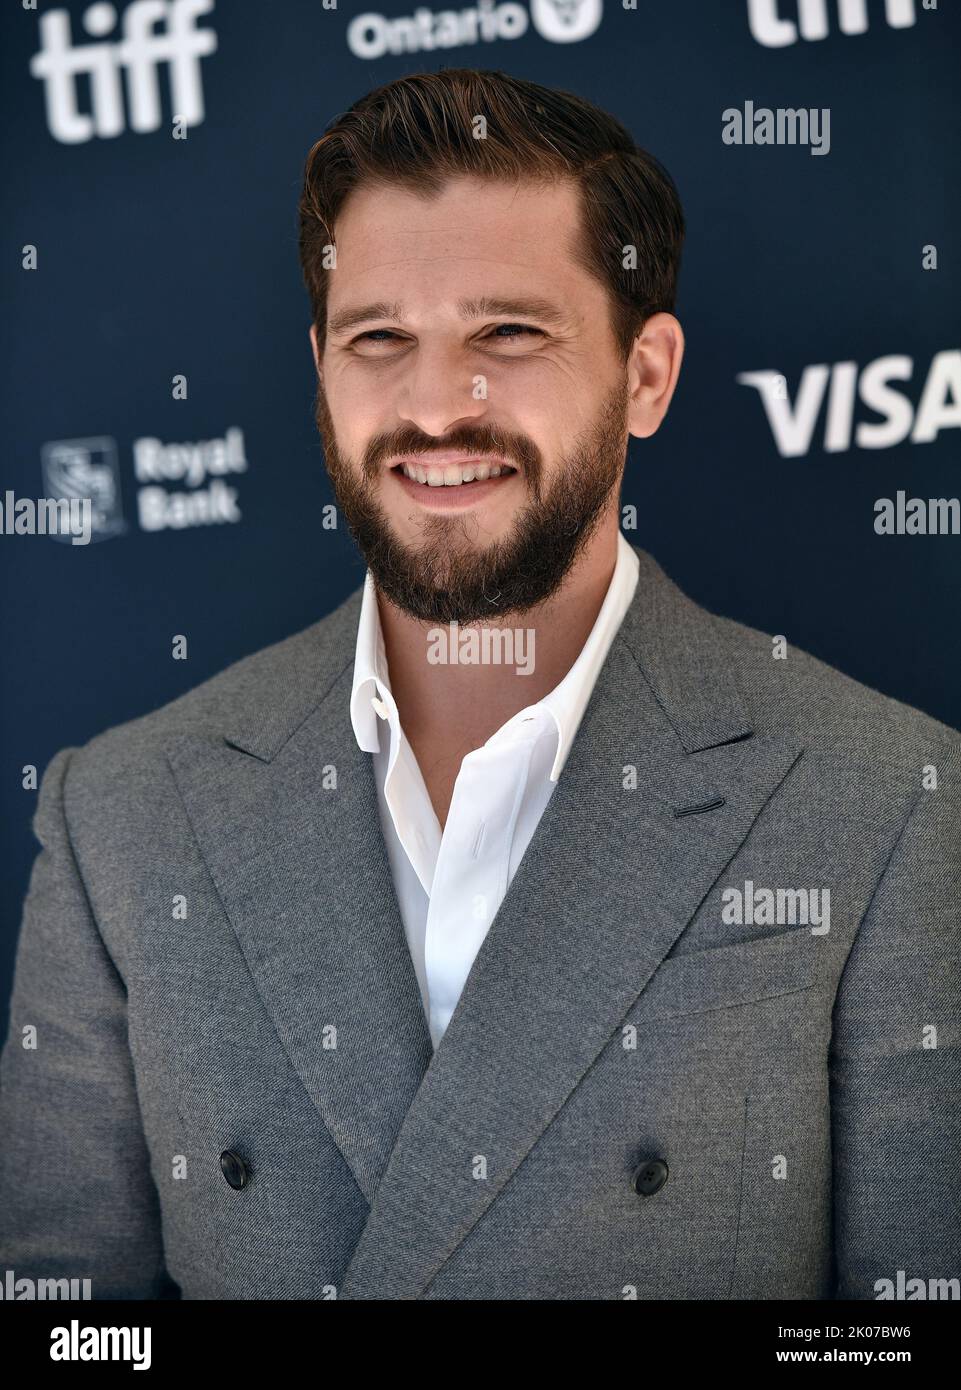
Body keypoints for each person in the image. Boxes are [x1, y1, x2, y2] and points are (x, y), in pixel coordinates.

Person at [1, 69, 958, 1301]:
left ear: (647, 375)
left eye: (509, 334)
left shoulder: (886, 799)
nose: (433, 408)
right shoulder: (116, 817)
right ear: (320, 369)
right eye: (379, 340)